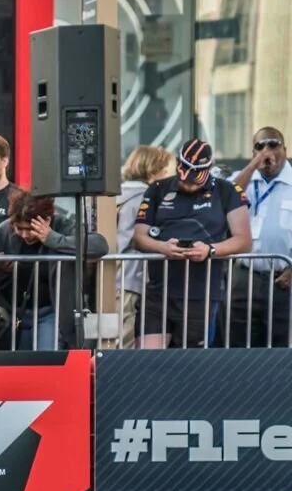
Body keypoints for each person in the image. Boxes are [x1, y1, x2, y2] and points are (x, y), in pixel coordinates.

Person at [132, 137, 251, 348]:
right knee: (147, 362)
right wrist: (162, 247)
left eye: (193, 179)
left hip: (201, 294)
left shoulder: (227, 191)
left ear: (209, 168)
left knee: (189, 367)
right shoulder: (158, 188)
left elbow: (243, 240)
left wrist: (210, 250)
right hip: (159, 292)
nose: (187, 183)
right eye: (183, 176)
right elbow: (140, 237)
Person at [0, 195, 109, 351]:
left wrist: (53, 239)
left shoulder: (62, 225)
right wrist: (0, 270)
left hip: (50, 313)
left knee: (46, 361)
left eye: (31, 229)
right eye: (19, 229)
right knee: (17, 367)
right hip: (12, 314)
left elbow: (100, 246)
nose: (25, 235)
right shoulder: (4, 230)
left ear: (47, 220)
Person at [228, 126, 288, 348]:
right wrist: (254, 165)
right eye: (260, 146)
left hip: (282, 279)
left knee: (281, 346)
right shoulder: (245, 179)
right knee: (239, 343)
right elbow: (228, 196)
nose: (267, 150)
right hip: (245, 277)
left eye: (273, 144)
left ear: (284, 149)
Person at [114, 144, 175, 348]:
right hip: (132, 276)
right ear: (153, 170)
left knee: (117, 336)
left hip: (114, 276)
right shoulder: (146, 197)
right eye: (165, 171)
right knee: (126, 337)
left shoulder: (115, 194)